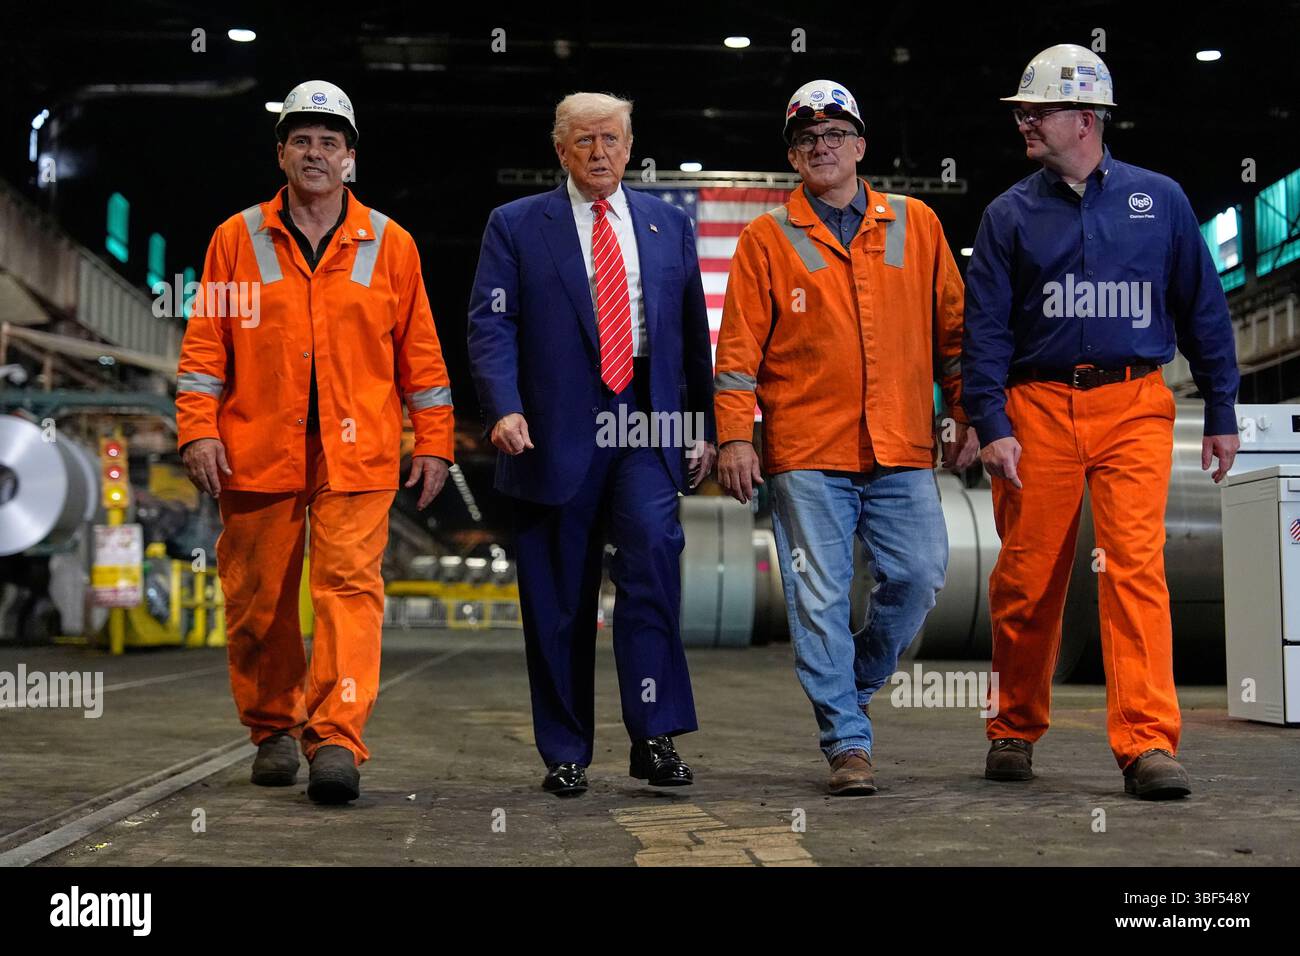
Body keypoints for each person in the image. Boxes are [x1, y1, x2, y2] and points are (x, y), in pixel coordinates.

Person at [963, 45, 1240, 799]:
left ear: (1084, 119)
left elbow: (1202, 309)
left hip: (1135, 404)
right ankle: (1013, 727)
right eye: (1022, 110)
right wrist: (990, 421)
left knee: (1134, 572)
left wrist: (1220, 407)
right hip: (1038, 408)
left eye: (1038, 110)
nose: (1024, 120)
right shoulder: (1007, 216)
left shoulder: (1162, 201)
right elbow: (982, 332)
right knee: (1027, 576)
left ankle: (1147, 742)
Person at [176, 80, 454, 804]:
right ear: (281, 153)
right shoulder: (235, 239)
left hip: (355, 453)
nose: (315, 153)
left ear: (350, 158)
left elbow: (421, 357)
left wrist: (434, 442)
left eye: (330, 141)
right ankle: (272, 728)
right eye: (302, 139)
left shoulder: (391, 245)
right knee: (258, 598)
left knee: (348, 594)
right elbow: (205, 349)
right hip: (254, 448)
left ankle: (336, 739)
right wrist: (197, 430)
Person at [715, 79, 976, 796]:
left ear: (861, 145)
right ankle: (846, 740)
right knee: (818, 596)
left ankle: (854, 681)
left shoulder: (916, 224)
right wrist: (738, 439)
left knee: (921, 574)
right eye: (805, 140)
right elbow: (736, 354)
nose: (821, 148)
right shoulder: (766, 240)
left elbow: (955, 335)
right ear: (793, 158)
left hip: (900, 445)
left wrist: (966, 413)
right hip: (806, 451)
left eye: (835, 136)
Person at [467, 92, 717, 797]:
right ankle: (566, 751)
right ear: (560, 149)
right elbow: (491, 325)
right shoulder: (516, 226)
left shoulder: (669, 226)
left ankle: (655, 736)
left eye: (610, 138)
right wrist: (504, 407)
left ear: (630, 146)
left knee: (653, 562)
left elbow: (692, 337)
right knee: (557, 596)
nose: (599, 151)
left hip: (646, 421)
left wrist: (701, 425)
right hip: (550, 429)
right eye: (584, 140)